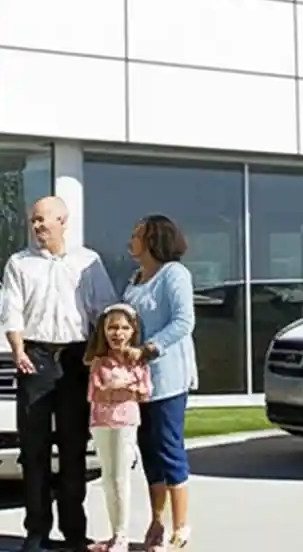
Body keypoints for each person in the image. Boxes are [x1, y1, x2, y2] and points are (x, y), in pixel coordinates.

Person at [0, 195, 119, 552]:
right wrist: (18, 350)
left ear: (62, 221)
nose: (37, 227)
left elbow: (104, 311)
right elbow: (11, 311)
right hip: (35, 356)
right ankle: (36, 532)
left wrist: (103, 358)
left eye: (42, 220)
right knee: (33, 449)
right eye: (33, 221)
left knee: (73, 448)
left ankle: (74, 532)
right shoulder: (19, 264)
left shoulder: (88, 262)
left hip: (76, 360)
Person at [122, 215, 198, 551]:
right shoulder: (135, 278)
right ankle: (157, 522)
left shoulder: (174, 275)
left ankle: (181, 527)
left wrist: (150, 348)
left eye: (136, 235)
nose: (130, 240)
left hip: (168, 378)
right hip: (138, 382)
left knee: (169, 449)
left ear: (153, 239)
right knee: (149, 451)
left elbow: (184, 321)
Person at [84, 304, 152, 552]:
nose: (118, 333)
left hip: (126, 421)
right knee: (108, 477)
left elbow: (144, 391)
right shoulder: (99, 362)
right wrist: (118, 387)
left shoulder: (137, 361)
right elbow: (96, 391)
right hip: (101, 421)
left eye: (124, 328)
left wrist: (126, 386)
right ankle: (114, 533)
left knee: (122, 477)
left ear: (133, 331)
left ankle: (122, 535)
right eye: (112, 327)